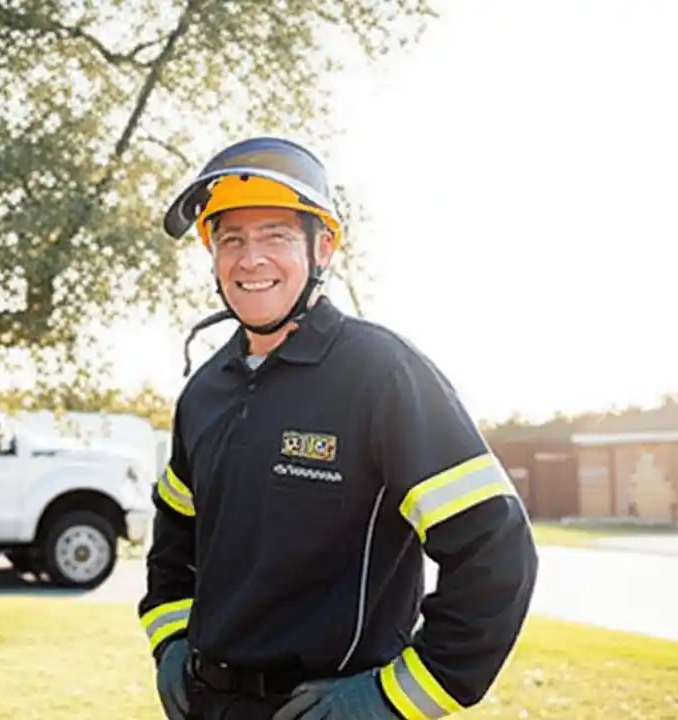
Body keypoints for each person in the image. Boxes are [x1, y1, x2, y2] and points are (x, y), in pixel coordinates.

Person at [137, 137, 538, 720]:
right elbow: (174, 544)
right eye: (232, 239)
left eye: (275, 235)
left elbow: (496, 552)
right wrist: (171, 641)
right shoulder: (204, 392)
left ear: (322, 248)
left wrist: (391, 697)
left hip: (330, 708)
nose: (250, 259)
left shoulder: (383, 375)